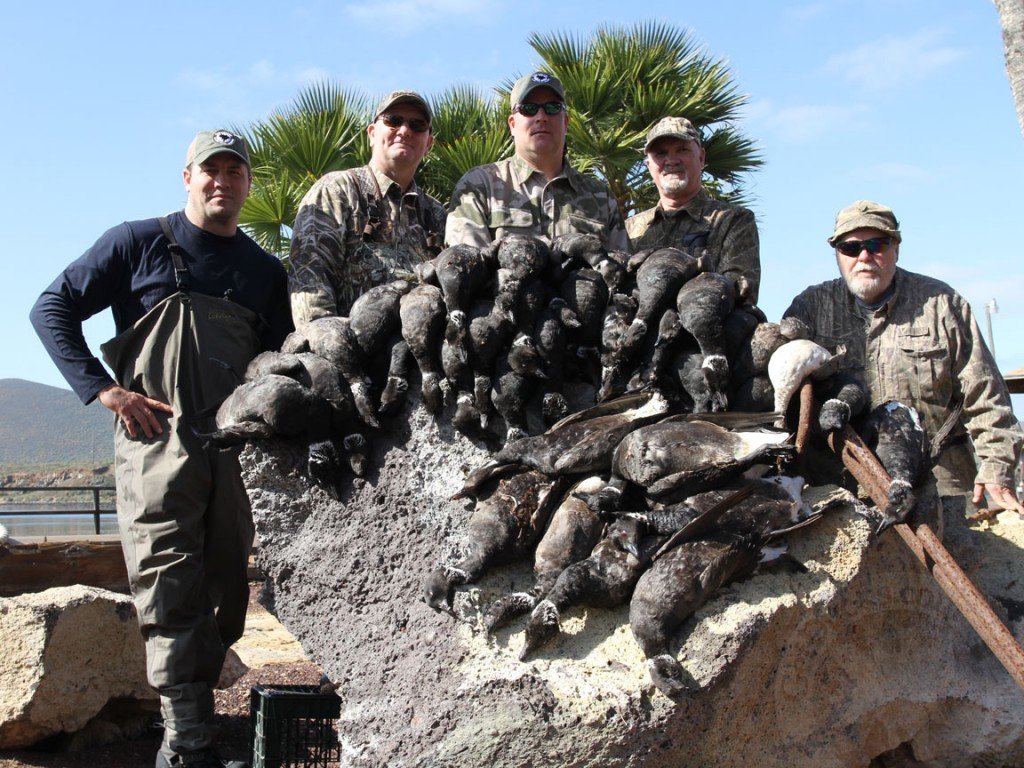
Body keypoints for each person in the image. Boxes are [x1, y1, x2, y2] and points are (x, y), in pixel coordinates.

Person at [31, 129, 293, 768]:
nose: (222, 181)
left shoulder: (263, 271)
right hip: (156, 446)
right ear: (187, 177)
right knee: (167, 585)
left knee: (226, 591)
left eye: (235, 171)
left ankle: (190, 736)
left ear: (248, 182)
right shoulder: (137, 242)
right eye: (210, 170)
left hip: (232, 455)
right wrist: (105, 391)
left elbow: (281, 362)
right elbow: (51, 308)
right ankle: (187, 745)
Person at [784, 200, 1023, 517]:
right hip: (839, 484)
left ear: (895, 247)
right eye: (851, 248)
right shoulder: (810, 308)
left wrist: (997, 468)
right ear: (837, 254)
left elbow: (986, 393)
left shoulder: (942, 305)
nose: (864, 256)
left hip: (940, 478)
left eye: (876, 245)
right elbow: (784, 397)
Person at [288, 90, 446, 325]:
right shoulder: (337, 190)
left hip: (422, 346)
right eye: (393, 121)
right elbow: (310, 281)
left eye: (417, 125)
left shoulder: (437, 215)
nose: (405, 130)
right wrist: (326, 342)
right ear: (372, 133)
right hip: (347, 344)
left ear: (428, 144)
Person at [445, 71, 629, 251]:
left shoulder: (601, 197)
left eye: (552, 107)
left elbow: (621, 265)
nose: (541, 117)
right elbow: (467, 264)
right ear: (512, 124)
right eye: (529, 109)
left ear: (565, 122)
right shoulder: (479, 185)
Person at [627, 116, 761, 305]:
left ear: (701, 157)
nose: (671, 160)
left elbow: (740, 293)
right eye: (661, 153)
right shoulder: (629, 229)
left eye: (682, 150)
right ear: (649, 166)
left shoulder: (733, 220)